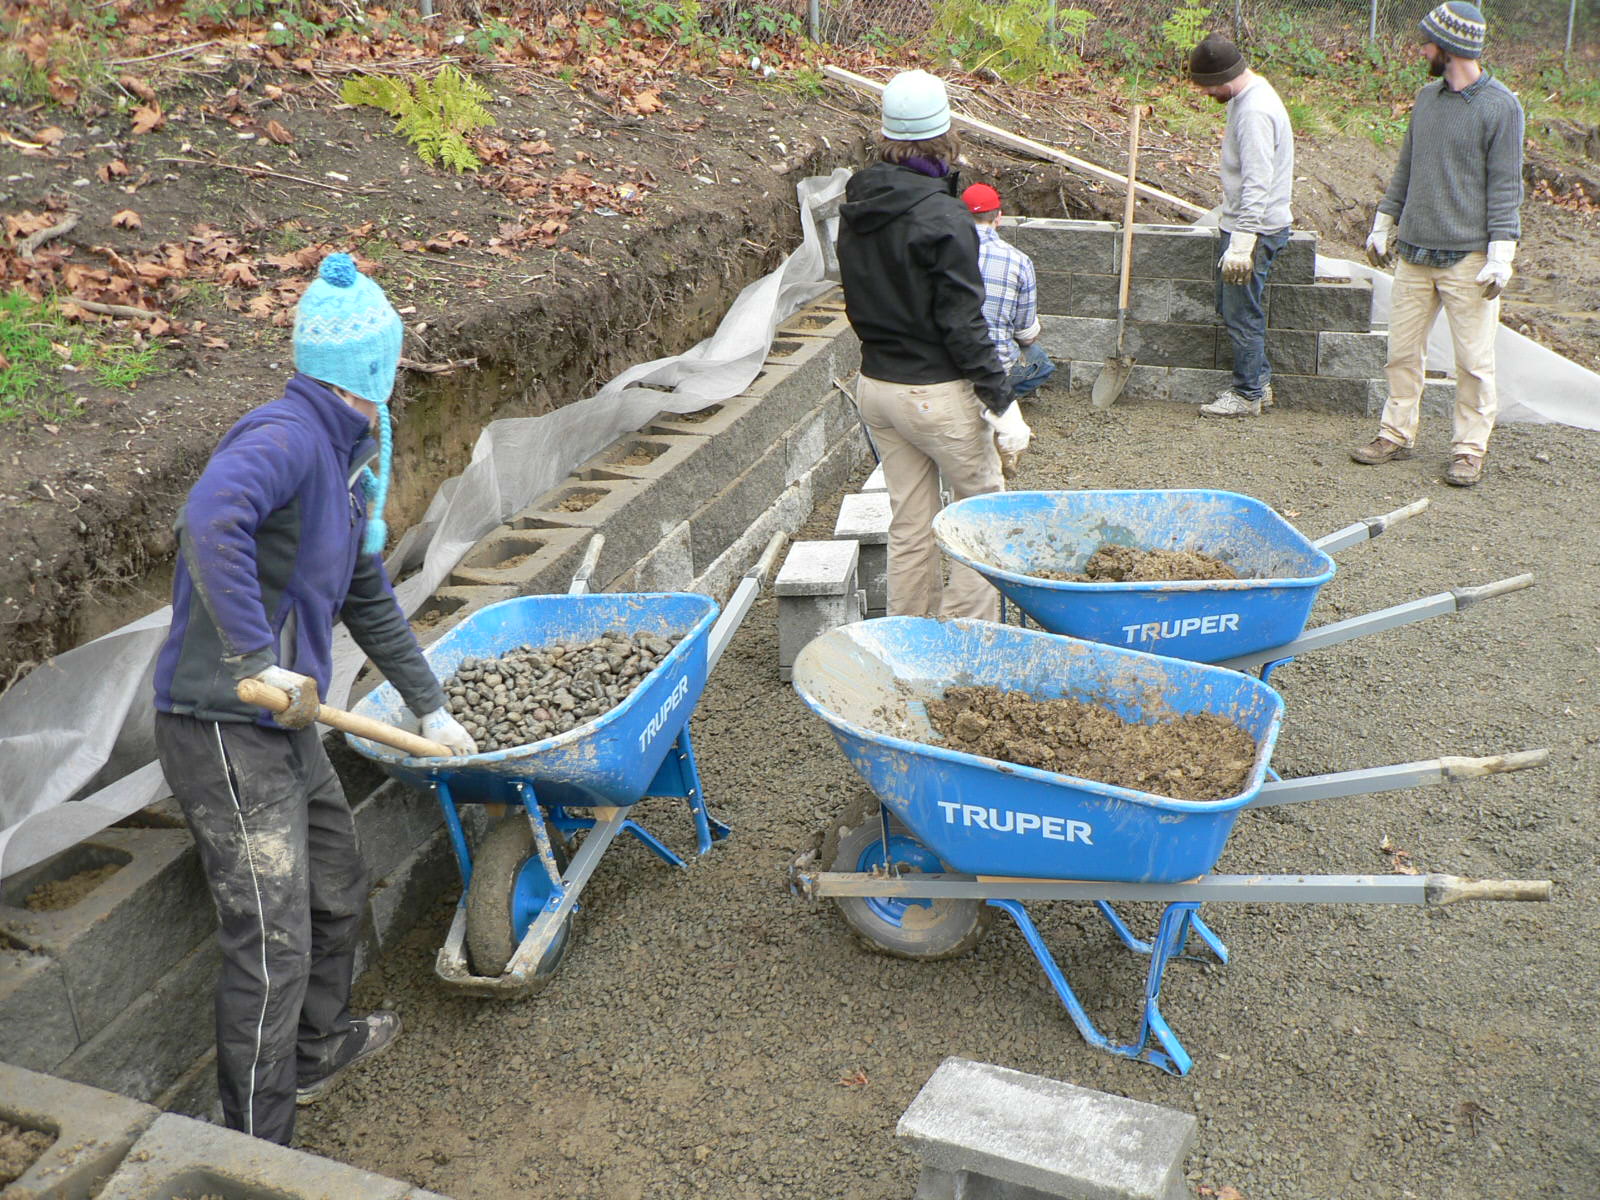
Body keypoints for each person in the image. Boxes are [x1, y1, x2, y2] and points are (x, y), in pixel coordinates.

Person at [151, 252, 476, 1146]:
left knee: (336, 883)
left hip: (285, 718)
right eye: (390, 365)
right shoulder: (287, 438)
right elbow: (211, 518)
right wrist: (256, 656)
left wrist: (429, 703)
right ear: (371, 367)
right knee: (271, 942)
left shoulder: (343, 455)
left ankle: (317, 1050)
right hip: (225, 722)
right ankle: (260, 1147)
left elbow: (363, 592)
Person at [837, 70, 1031, 622]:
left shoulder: (859, 202)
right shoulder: (944, 217)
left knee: (909, 522)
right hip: (934, 393)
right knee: (981, 513)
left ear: (887, 139)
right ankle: (966, 640)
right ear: (947, 138)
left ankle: (909, 637)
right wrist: (1002, 403)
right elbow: (964, 324)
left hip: (876, 387)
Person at [1352, 1, 1523, 487]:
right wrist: (1383, 222)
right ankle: (1395, 433)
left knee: (1473, 363)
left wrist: (1500, 255)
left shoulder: (1501, 107)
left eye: (1427, 41)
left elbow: (1507, 186)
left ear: (1449, 48)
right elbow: (1406, 167)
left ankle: (1469, 449)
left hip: (1468, 259)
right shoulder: (1427, 99)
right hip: (1415, 253)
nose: (1420, 48)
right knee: (1401, 353)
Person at [1188, 34, 1295, 418]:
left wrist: (1242, 242)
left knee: (1240, 311)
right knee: (1233, 306)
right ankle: (1258, 383)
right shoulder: (1248, 95)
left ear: (1223, 77)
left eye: (1206, 85)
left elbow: (1258, 181)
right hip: (1250, 224)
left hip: (1256, 229)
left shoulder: (1253, 112)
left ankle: (1248, 393)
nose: (1205, 93)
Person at [961, 182, 1056, 401]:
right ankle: (994, 402)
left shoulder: (940, 251)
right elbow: (1026, 335)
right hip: (995, 369)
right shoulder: (1019, 261)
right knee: (1041, 362)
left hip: (942, 369)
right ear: (998, 217)